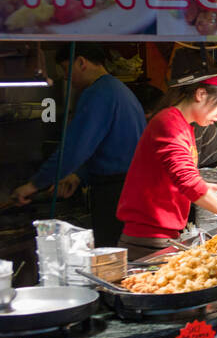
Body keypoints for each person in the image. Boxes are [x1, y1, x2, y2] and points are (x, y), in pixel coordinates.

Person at [11, 44, 146, 247]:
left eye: (66, 70)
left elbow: (73, 149)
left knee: (111, 255)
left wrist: (32, 185)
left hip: (115, 193)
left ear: (81, 62)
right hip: (129, 189)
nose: (67, 78)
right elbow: (107, 145)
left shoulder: (98, 94)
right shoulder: (116, 89)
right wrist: (79, 175)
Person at [116, 72, 217, 260]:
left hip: (162, 235)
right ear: (201, 94)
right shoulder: (169, 123)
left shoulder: (185, 126)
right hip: (148, 239)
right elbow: (187, 181)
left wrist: (206, 186)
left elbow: (175, 176)